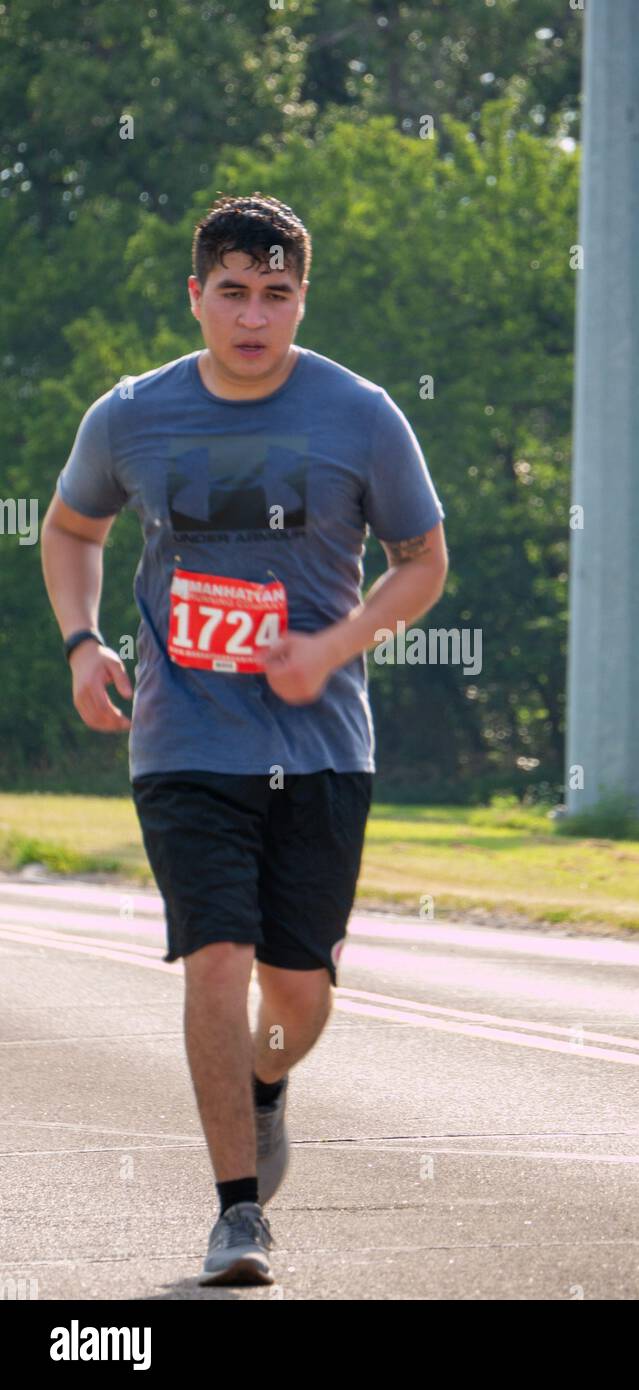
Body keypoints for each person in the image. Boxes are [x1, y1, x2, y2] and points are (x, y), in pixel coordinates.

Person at [40, 193, 448, 1286]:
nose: (254, 317)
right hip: (184, 739)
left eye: (275, 294)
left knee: (298, 990)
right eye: (233, 293)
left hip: (321, 747)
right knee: (214, 956)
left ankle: (267, 1083)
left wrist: (337, 644)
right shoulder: (131, 414)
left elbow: (422, 559)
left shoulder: (360, 414)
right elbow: (73, 525)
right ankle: (236, 1215)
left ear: (300, 297)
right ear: (198, 296)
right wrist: (83, 644)